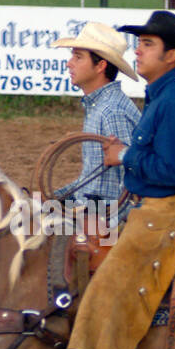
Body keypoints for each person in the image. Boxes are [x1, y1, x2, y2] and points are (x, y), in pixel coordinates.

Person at [63, 11, 175, 349]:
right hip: (153, 209)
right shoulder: (162, 96)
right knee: (107, 285)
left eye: (147, 45)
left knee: (119, 288)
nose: (138, 51)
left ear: (172, 55)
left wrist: (125, 155)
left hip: (168, 212)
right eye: (138, 44)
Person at [49, 22, 141, 213]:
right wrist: (54, 199)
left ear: (100, 66)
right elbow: (91, 180)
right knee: (25, 216)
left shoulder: (111, 111)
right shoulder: (99, 106)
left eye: (78, 57)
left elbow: (128, 188)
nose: (69, 63)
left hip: (104, 216)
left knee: (23, 227)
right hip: (93, 207)